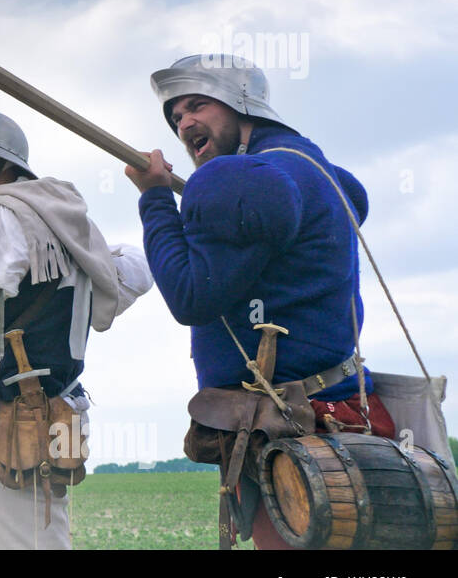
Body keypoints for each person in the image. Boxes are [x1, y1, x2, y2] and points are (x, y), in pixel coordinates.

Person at [124, 53, 394, 549]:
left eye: (197, 105)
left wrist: (155, 198)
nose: (184, 123)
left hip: (289, 428)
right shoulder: (318, 169)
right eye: (175, 115)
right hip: (344, 406)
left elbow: (190, 297)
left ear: (242, 105)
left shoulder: (237, 178)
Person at [0, 109, 153, 549]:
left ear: (0, 165)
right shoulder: (70, 225)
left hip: (11, 413)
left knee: (17, 542)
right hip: (67, 410)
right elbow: (134, 270)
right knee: (44, 535)